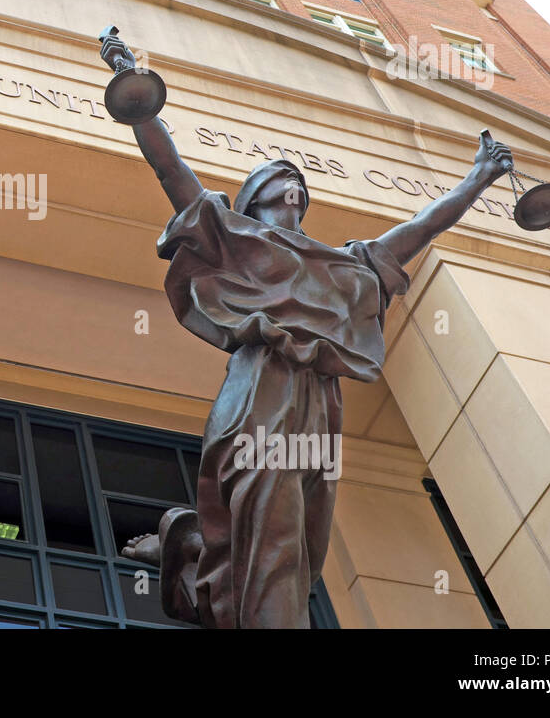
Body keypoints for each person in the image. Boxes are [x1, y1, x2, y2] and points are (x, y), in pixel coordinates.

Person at [118, 112, 513, 628]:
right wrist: (141, 104)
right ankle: (210, 549)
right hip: (260, 390)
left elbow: (421, 228)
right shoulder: (237, 242)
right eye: (281, 175)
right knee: (277, 537)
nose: (295, 182)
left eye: (299, 179)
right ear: (253, 198)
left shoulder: (345, 267)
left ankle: (202, 550)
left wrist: (479, 177)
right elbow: (171, 169)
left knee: (301, 551)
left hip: (320, 404)